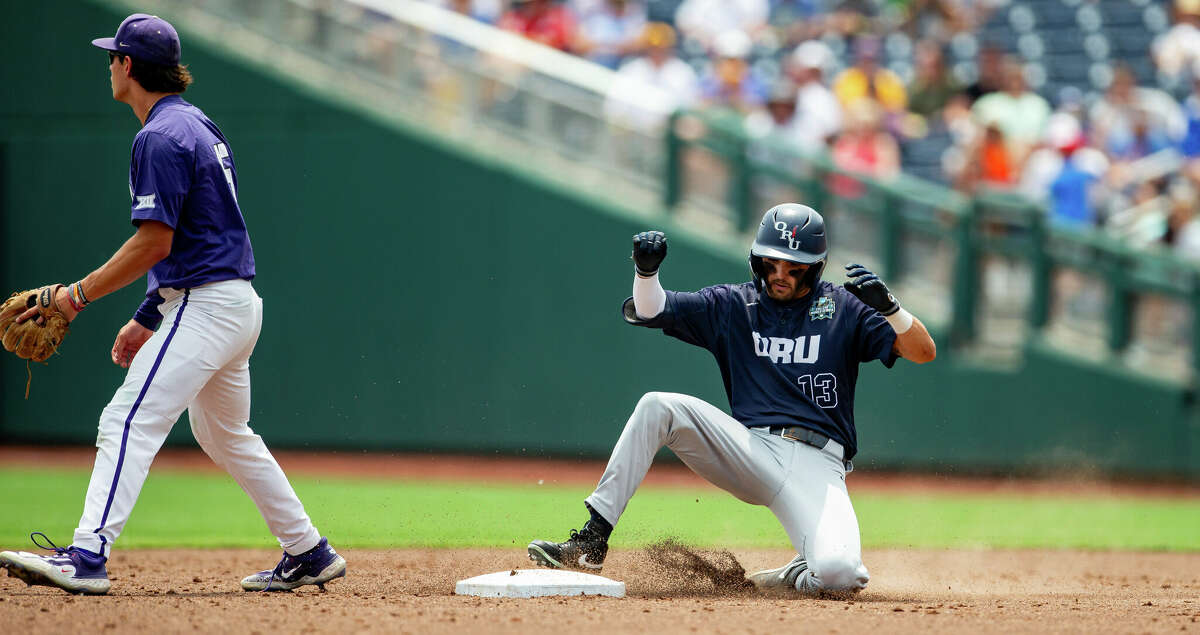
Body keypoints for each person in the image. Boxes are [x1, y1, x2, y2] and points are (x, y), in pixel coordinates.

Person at [0, 14, 345, 595]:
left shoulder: (158, 136)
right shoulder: (195, 125)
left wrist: (74, 296)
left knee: (126, 419)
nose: (108, 64)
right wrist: (145, 316)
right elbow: (196, 236)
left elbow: (155, 240)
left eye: (112, 56)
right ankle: (308, 550)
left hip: (206, 306)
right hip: (232, 303)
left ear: (128, 66)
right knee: (223, 433)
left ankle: (86, 555)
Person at [527, 204, 936, 595]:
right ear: (756, 260)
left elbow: (923, 352)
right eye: (771, 262)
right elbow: (653, 309)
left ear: (815, 268)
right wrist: (645, 271)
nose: (780, 273)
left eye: (793, 267)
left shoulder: (842, 306)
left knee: (840, 574)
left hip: (819, 464)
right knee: (658, 406)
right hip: (751, 448)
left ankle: (798, 574)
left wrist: (893, 311)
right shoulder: (734, 304)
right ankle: (592, 540)